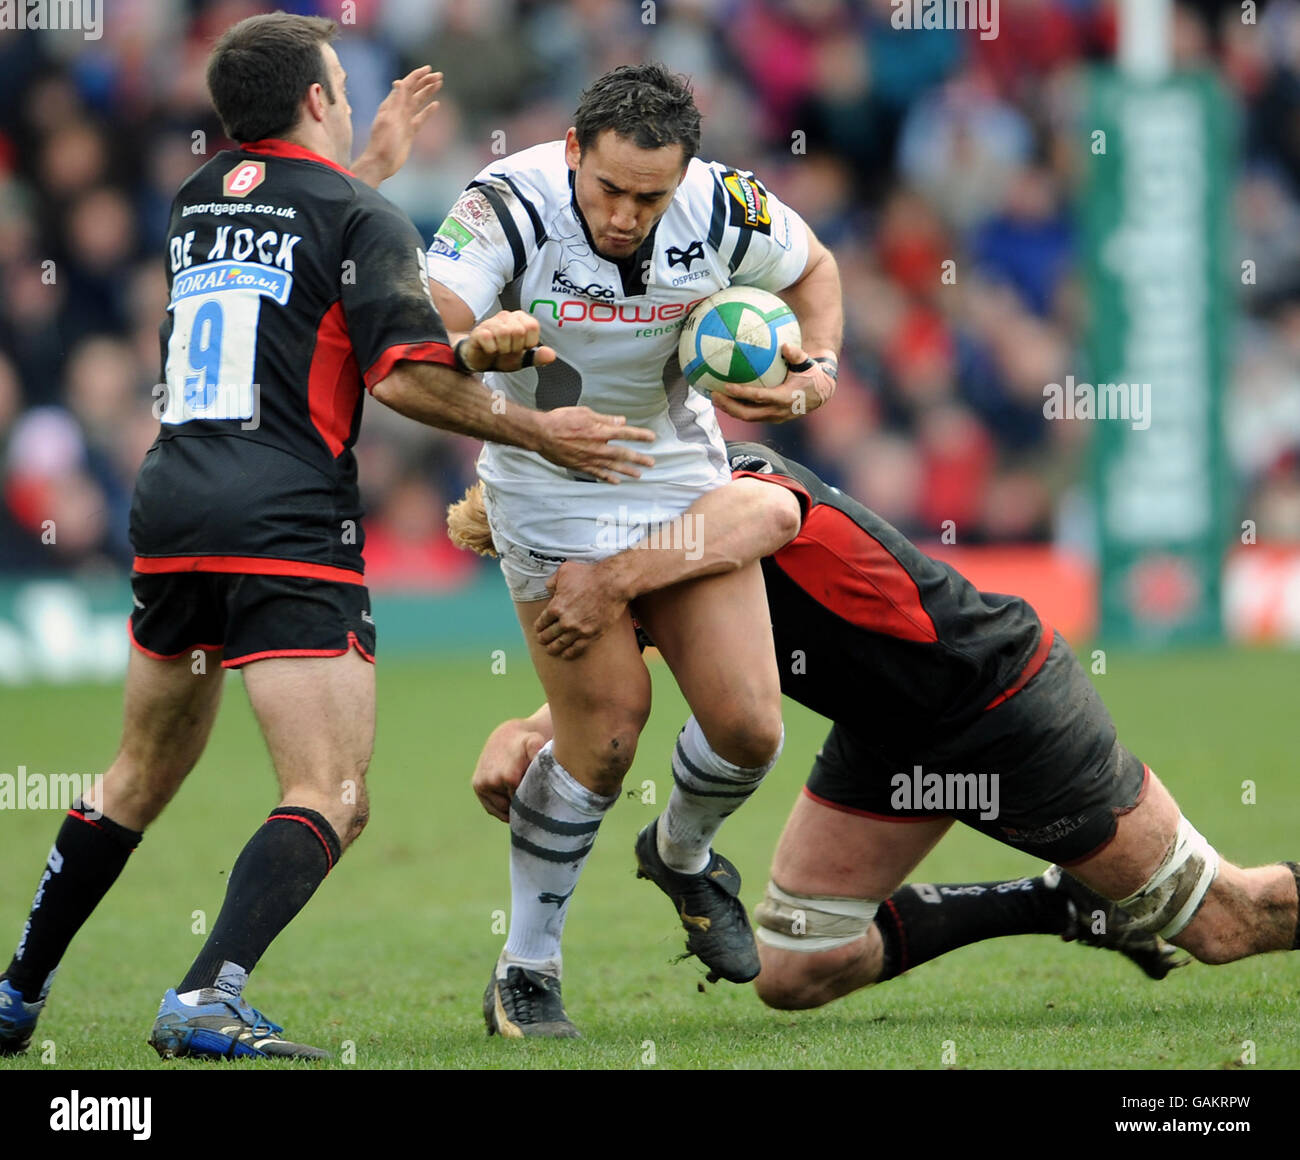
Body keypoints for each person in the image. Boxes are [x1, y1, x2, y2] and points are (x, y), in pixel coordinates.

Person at [0, 12, 653, 1062]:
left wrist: (372, 169)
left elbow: (296, 246)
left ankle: (16, 991)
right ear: (314, 100)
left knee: (134, 773)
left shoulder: (194, 199)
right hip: (284, 516)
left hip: (172, 507)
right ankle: (207, 996)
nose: (353, 92)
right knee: (331, 793)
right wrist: (537, 424)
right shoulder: (356, 214)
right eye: (341, 82)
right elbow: (401, 374)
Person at [454, 440, 1299, 1015]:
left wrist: (606, 581)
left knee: (1229, 922)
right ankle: (1059, 901)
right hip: (886, 741)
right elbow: (608, 695)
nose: (555, 565)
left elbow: (773, 519)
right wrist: (527, 727)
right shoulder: (642, 571)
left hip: (1001, 706)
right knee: (793, 972)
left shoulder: (721, 484)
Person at [417, 64, 843, 1037]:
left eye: (649, 196)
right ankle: (526, 968)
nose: (624, 214)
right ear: (574, 151)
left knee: (748, 728)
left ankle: (681, 855)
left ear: (684, 176)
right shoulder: (503, 205)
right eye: (609, 189)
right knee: (606, 733)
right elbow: (415, 334)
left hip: (673, 473)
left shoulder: (725, 206)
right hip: (542, 477)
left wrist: (815, 374)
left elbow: (815, 270)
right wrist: (478, 346)